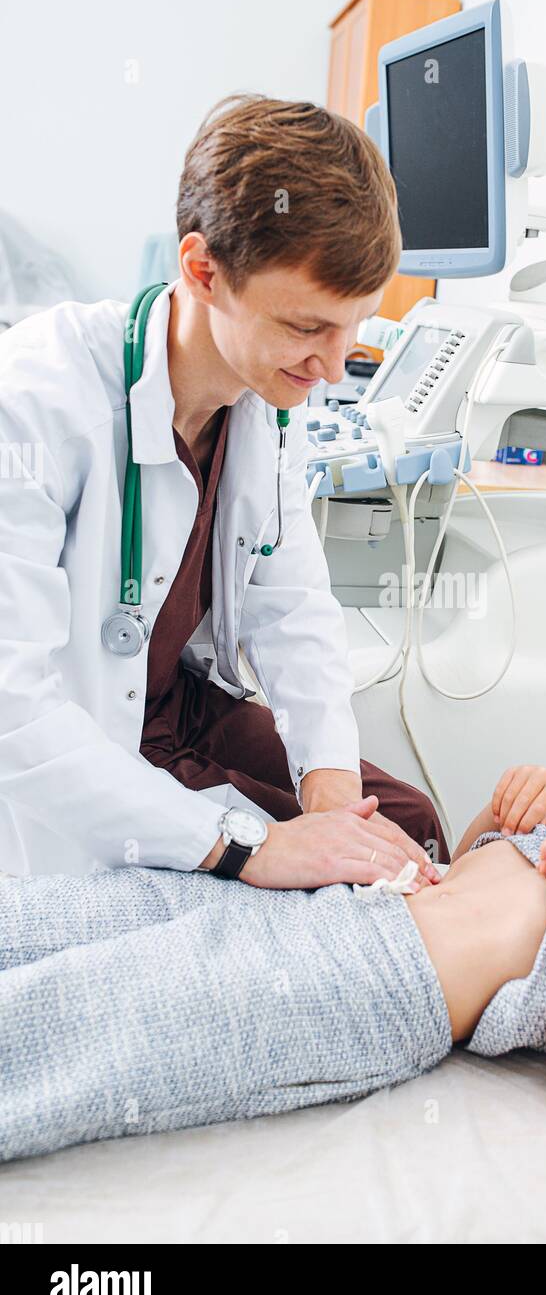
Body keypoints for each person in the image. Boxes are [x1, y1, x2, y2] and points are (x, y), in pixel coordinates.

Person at [0, 95, 445, 885]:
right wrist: (253, 847)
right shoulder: (36, 402)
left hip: (174, 708)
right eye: (308, 328)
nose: (335, 369)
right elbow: (14, 718)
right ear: (203, 270)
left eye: (356, 328)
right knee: (294, 891)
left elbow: (292, 603)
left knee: (404, 832)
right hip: (82, 745)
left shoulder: (267, 397)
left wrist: (330, 786)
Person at [2, 765, 546, 1161]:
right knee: (60, 915)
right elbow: (487, 888)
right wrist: (495, 823)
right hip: (338, 895)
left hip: (372, 985)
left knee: (82, 1017)